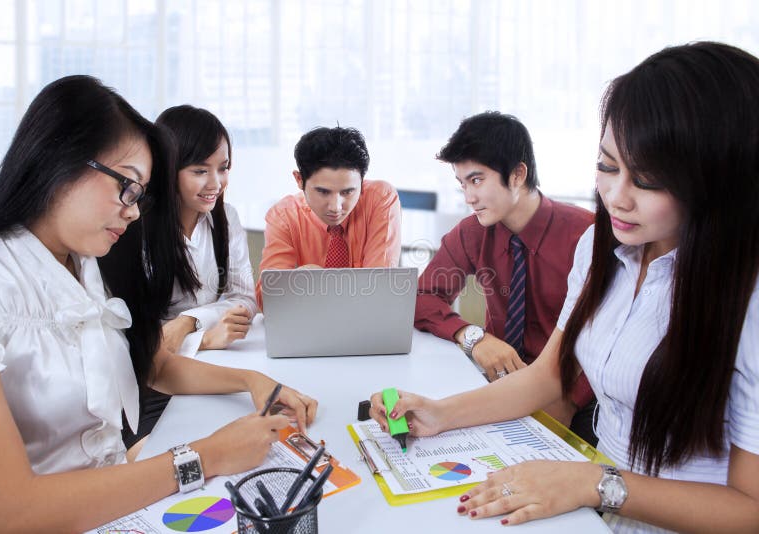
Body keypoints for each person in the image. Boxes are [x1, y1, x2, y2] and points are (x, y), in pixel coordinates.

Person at [370, 42, 759, 532]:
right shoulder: (603, 249)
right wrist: (438, 414)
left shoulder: (746, 296)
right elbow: (548, 374)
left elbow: (751, 508)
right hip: (598, 503)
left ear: (719, 182)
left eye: (649, 180)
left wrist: (593, 482)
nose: (617, 198)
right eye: (607, 166)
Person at [0, 75, 316, 532]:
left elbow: (153, 365)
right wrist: (202, 458)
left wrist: (250, 380)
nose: (133, 210)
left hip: (115, 505)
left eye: (140, 195)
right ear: (59, 161)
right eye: (127, 187)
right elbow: (5, 512)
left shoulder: (87, 264)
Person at [415, 111, 595, 435]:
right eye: (462, 184)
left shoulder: (586, 235)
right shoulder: (473, 232)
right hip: (499, 387)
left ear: (517, 174)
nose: (469, 198)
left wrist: (569, 400)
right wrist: (472, 337)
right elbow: (422, 296)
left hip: (574, 398)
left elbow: (607, 334)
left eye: (477, 180)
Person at [123, 105, 260, 453]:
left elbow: (244, 298)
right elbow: (137, 335)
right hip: (148, 384)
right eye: (200, 170)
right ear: (169, 169)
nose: (215, 183)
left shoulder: (225, 218)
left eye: (223, 168)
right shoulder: (132, 225)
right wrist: (205, 339)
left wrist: (189, 322)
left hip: (210, 366)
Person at [255, 126, 402, 307]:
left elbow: (379, 290)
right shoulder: (283, 216)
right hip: (309, 326)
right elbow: (267, 300)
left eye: (348, 191)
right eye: (323, 192)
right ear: (299, 180)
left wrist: (314, 287)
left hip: (365, 328)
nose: (336, 207)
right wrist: (297, 279)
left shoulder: (380, 198)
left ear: (362, 182)